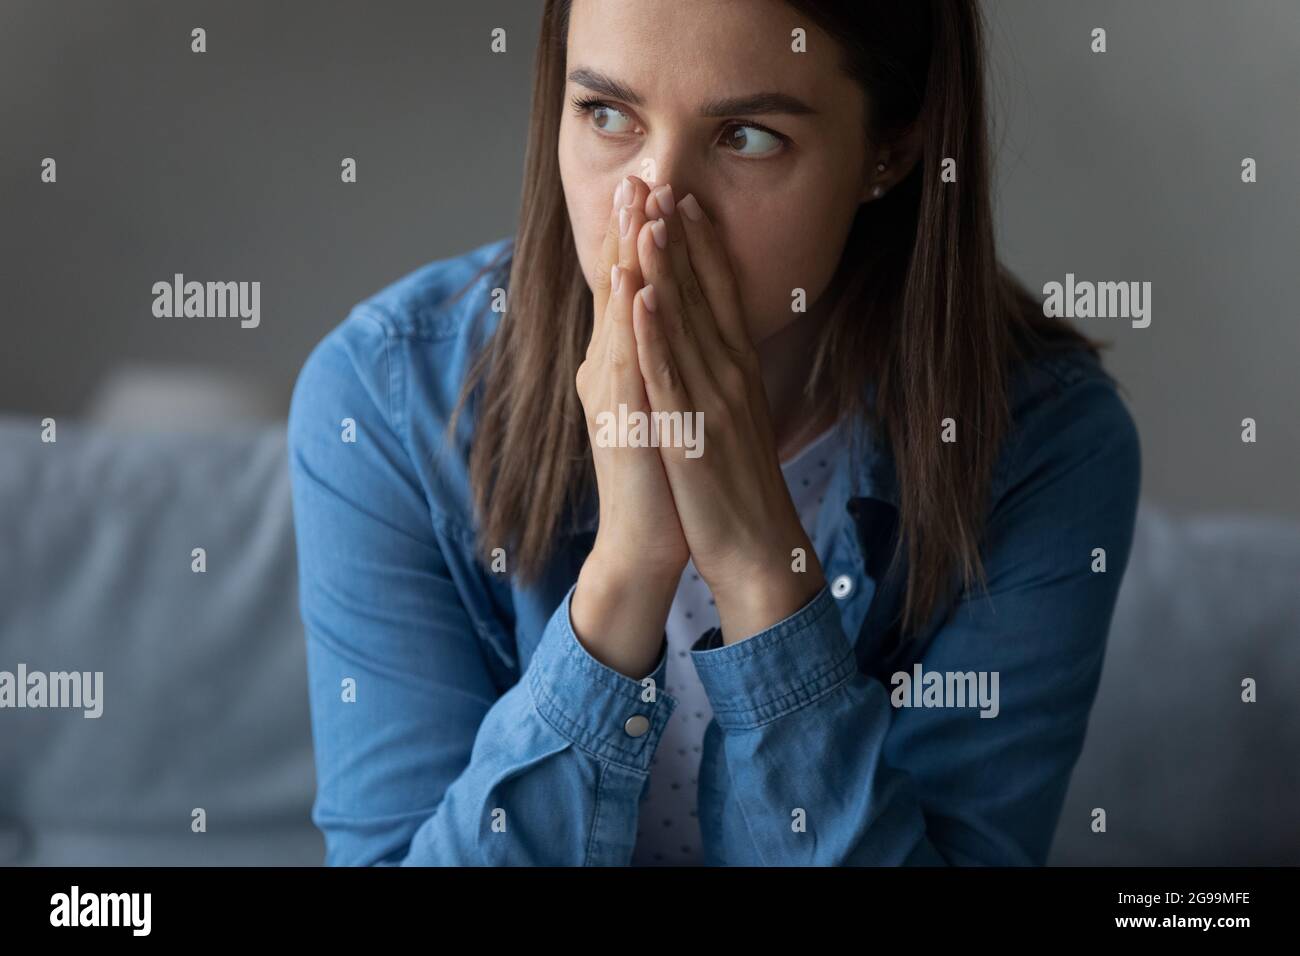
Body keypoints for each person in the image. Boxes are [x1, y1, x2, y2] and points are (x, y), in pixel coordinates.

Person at [287, 0, 1142, 866]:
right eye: (606, 114)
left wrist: (760, 570)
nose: (653, 207)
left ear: (889, 148)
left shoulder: (1042, 444)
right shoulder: (386, 402)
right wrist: (625, 574)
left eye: (748, 137)